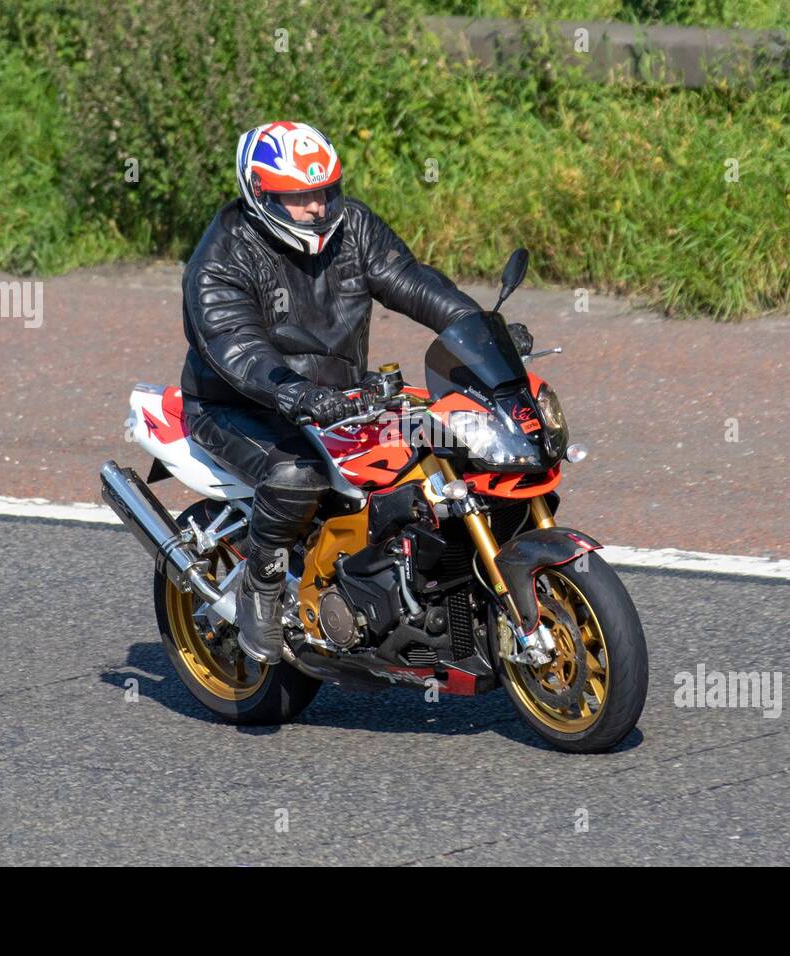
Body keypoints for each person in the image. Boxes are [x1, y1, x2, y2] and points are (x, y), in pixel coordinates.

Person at [180, 121, 533, 664]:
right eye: (299, 198)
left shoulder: (355, 228)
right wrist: (291, 392)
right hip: (241, 403)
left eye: (323, 192)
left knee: (451, 436)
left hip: (342, 395)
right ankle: (263, 583)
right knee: (299, 475)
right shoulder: (221, 258)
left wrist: (480, 327)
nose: (317, 208)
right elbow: (235, 346)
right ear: (260, 195)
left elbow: (410, 281)